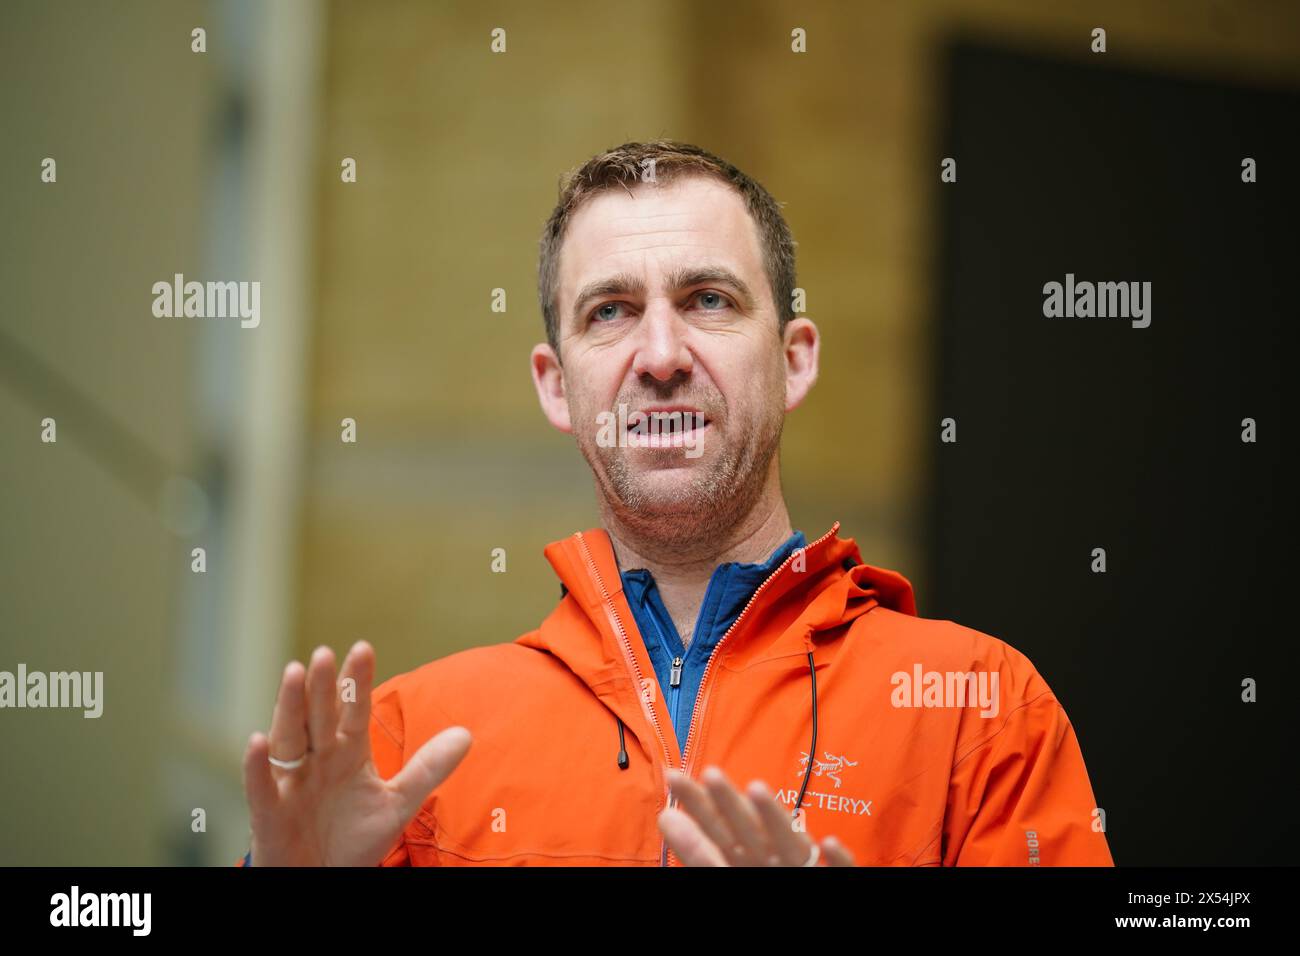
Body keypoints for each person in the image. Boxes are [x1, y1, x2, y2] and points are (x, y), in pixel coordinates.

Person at [238, 140, 1113, 867]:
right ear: (557, 387)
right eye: (610, 311)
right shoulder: (408, 745)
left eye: (708, 300)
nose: (661, 354)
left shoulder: (979, 710)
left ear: (795, 358)